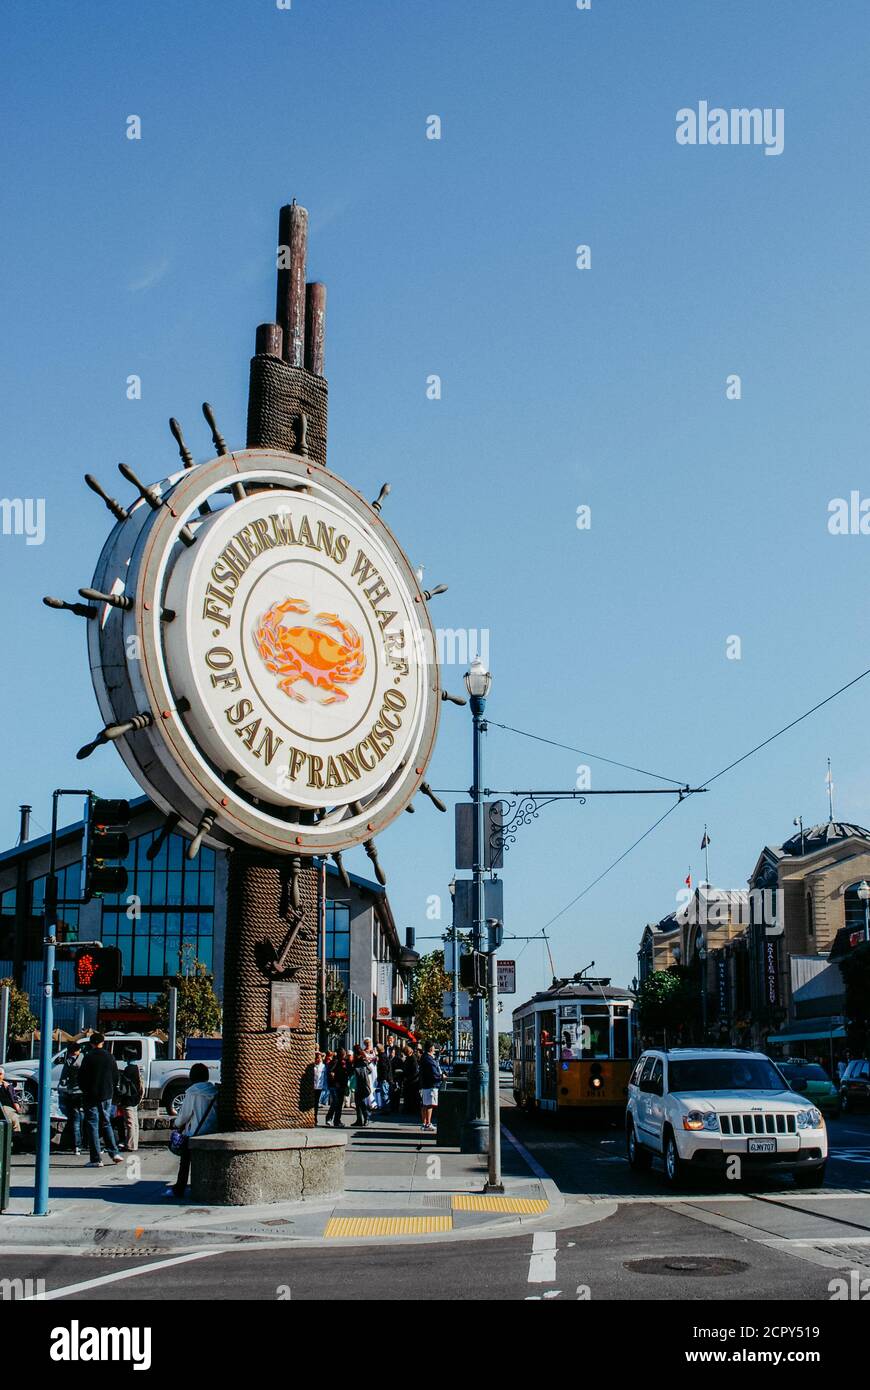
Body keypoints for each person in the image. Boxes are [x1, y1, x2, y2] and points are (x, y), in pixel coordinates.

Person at [165, 1063, 219, 1199]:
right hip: (213, 1131)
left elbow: (184, 1115)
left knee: (185, 1162)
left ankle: (179, 1189)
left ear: (192, 1076)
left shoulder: (192, 1092)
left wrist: (177, 1124)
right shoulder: (214, 1091)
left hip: (195, 1133)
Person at [78, 1032, 123, 1167]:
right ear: (102, 1042)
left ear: (91, 1043)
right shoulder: (110, 1057)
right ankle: (114, 1152)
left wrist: (85, 1089)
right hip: (106, 1094)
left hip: (91, 1095)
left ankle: (96, 1159)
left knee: (92, 1124)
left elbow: (81, 1077)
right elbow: (116, 1076)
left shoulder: (88, 1057)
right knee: (106, 1122)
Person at [114, 1046, 144, 1151]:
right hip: (135, 1099)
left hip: (128, 1099)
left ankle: (130, 1145)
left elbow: (123, 1087)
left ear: (127, 1056)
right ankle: (134, 1144)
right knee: (135, 1123)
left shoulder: (128, 1069)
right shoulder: (136, 1068)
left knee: (130, 1123)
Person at [57, 1042, 85, 1154]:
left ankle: (77, 1145)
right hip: (85, 1092)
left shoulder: (69, 1061)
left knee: (75, 1120)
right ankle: (86, 1143)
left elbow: (63, 1078)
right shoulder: (85, 1059)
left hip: (73, 1092)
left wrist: (65, 1082)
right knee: (86, 1118)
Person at [419, 1041, 444, 1131]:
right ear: (431, 1048)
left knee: (425, 1104)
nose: (434, 1048)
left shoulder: (425, 1057)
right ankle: (428, 1123)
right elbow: (434, 1072)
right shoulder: (429, 1059)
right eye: (433, 1047)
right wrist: (441, 1077)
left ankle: (424, 1123)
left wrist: (438, 1055)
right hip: (431, 1084)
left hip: (425, 1083)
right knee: (430, 1105)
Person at [326, 1047, 351, 1127]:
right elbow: (331, 1072)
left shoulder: (344, 1061)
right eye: (344, 1054)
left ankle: (335, 1120)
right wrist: (335, 1082)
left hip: (342, 1084)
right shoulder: (336, 1061)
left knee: (338, 1103)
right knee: (337, 1103)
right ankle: (333, 1120)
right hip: (338, 1085)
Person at [0, 1067, 22, 1152]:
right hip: (5, 1109)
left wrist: (17, 1108)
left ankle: (17, 1144)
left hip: (7, 1108)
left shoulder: (7, 1086)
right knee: (13, 1120)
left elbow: (14, 1099)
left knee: (13, 1120)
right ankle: (17, 1143)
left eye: (0, 1074)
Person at [352, 1044, 373, 1126]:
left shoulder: (360, 1060)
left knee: (360, 1101)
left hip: (361, 1083)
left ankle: (366, 1117)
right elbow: (370, 1070)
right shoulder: (363, 1060)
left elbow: (367, 1070)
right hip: (362, 1082)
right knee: (358, 1102)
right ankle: (359, 1120)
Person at [402, 1044, 420, 1114]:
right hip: (411, 1080)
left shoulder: (412, 1059)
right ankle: (410, 1109)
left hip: (412, 1081)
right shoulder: (410, 1058)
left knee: (412, 1096)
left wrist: (408, 1078)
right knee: (411, 1096)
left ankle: (412, 1109)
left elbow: (415, 1071)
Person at [375, 1044, 393, 1112]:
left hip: (384, 1078)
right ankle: (385, 1108)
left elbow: (384, 1068)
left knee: (384, 1094)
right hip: (385, 1078)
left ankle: (386, 1109)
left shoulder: (382, 1057)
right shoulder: (384, 1056)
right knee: (385, 1093)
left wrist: (383, 1078)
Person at [312, 1050, 327, 1125]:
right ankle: (313, 1118)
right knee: (314, 1103)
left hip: (320, 1087)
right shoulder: (312, 1066)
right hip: (313, 1086)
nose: (317, 1059)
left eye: (319, 1058)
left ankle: (315, 1118)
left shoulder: (323, 1066)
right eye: (316, 1058)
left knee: (316, 1103)